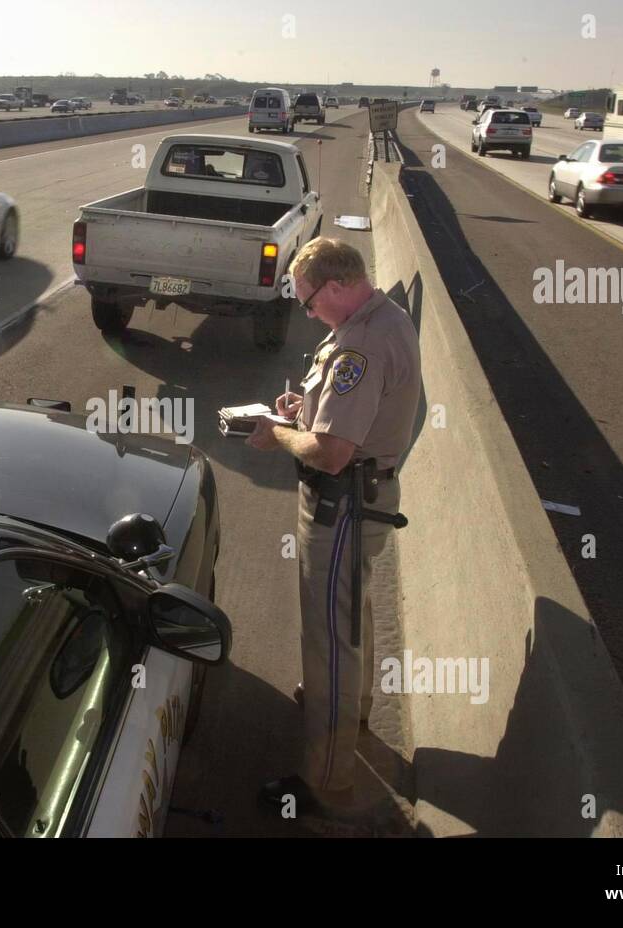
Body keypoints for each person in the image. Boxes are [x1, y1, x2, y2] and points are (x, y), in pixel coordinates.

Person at [246, 237, 421, 819]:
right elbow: (347, 414)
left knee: (328, 640)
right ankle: (355, 708)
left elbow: (332, 450)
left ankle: (325, 781)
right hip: (365, 498)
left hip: (341, 503)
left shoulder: (362, 343)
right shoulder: (381, 317)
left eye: (310, 300)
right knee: (353, 613)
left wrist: (280, 434)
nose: (308, 310)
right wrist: (304, 408)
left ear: (340, 286)